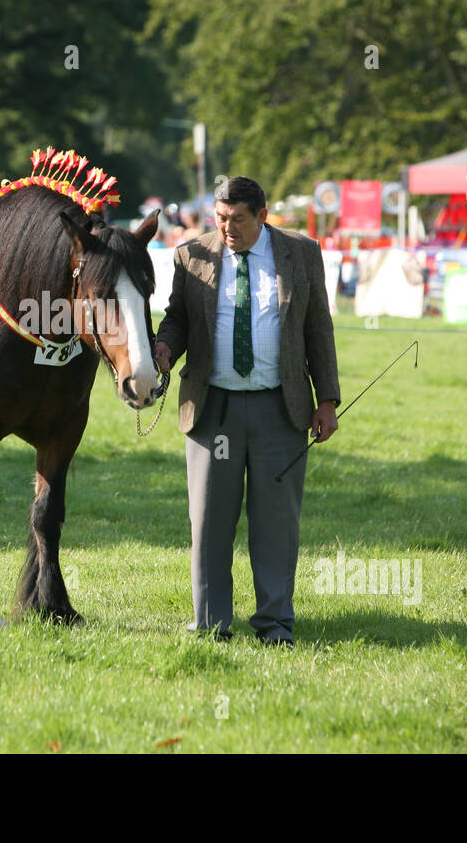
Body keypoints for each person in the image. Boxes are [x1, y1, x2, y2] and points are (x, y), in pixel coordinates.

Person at [154, 176, 340, 646]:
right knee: (209, 521)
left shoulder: (301, 252)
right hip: (212, 408)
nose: (228, 228)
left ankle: (275, 625)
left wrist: (328, 401)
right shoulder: (191, 254)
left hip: (281, 409)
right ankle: (211, 625)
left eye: (238, 218)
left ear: (262, 214)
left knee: (276, 524)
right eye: (220, 218)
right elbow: (176, 319)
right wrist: (161, 351)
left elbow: (319, 328)